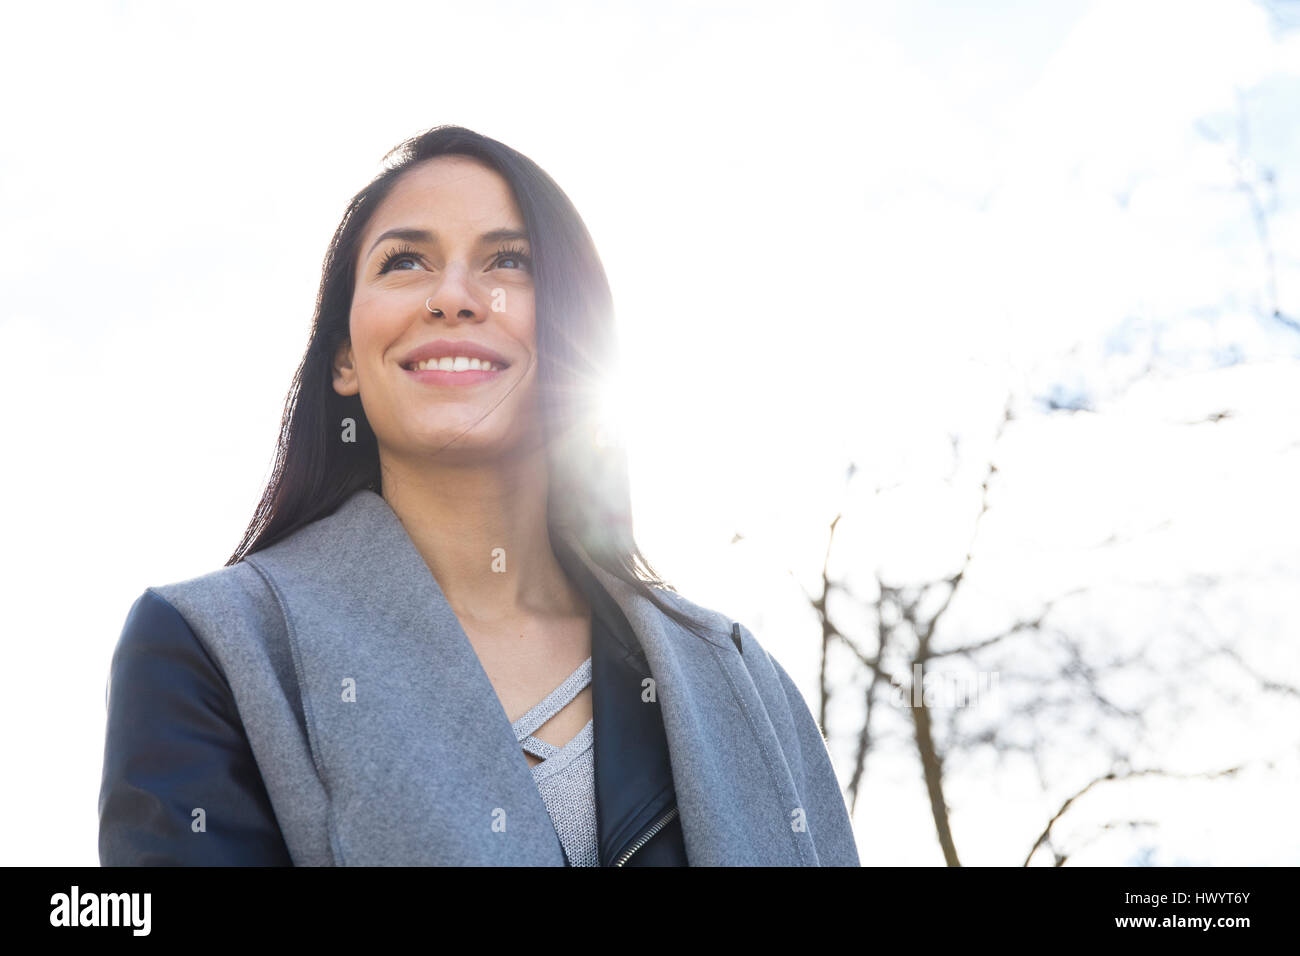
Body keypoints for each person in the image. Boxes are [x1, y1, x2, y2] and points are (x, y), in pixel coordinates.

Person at [97, 124, 861, 866]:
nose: (456, 297)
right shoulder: (208, 653)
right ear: (344, 361)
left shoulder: (738, 677)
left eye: (507, 261)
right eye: (405, 263)